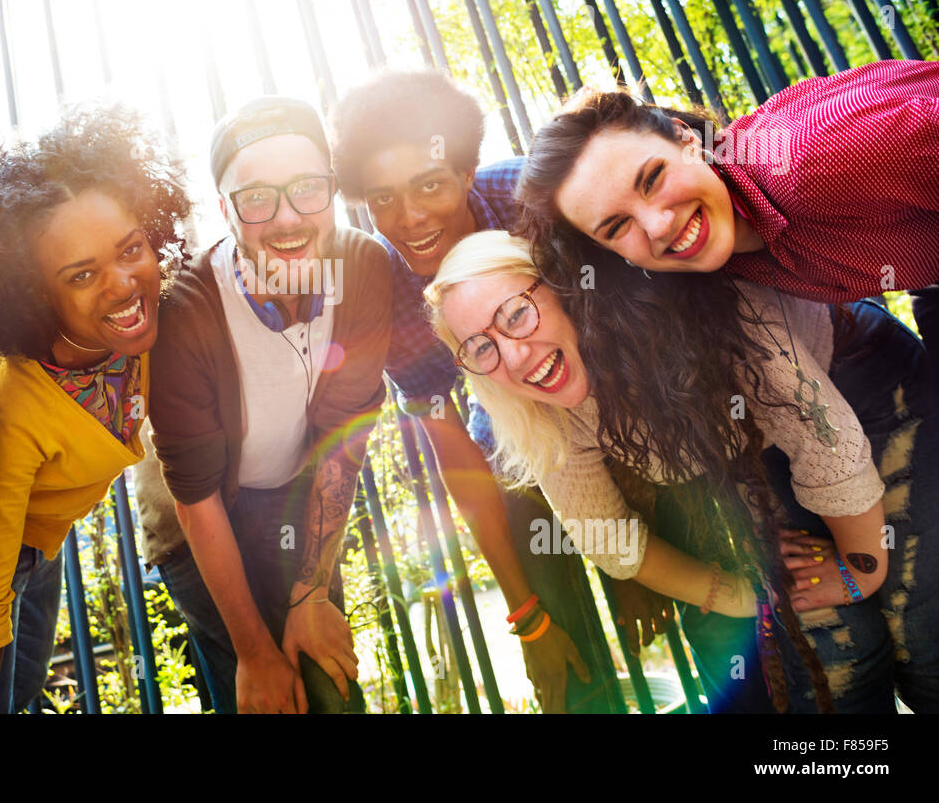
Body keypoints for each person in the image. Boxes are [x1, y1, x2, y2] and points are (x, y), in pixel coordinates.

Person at [425, 230, 911, 713]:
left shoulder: (662, 308)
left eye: (516, 314)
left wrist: (859, 573)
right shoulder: (540, 411)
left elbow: (822, 437)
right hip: (757, 451)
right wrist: (732, 593)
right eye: (481, 348)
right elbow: (604, 535)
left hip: (849, 382)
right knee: (825, 645)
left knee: (920, 633)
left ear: (560, 284)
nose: (514, 355)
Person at [327, 68, 628, 713]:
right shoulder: (393, 294)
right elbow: (456, 450)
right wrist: (527, 615)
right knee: (571, 676)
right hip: (522, 445)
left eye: (428, 184)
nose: (406, 219)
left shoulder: (532, 197)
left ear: (466, 172)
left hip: (630, 404)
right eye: (380, 199)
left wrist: (635, 546)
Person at [0, 104, 191, 713]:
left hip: (42, 546)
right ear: (33, 291)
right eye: (81, 275)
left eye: (131, 249)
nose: (123, 284)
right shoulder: (5, 402)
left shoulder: (160, 315)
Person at [136, 96, 391, 713]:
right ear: (224, 209)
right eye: (256, 198)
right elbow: (195, 500)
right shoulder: (186, 310)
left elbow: (345, 431)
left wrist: (311, 592)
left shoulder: (363, 266)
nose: (287, 219)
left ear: (331, 191)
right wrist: (254, 652)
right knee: (259, 690)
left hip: (292, 490)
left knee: (329, 688)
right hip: (195, 517)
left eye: (308, 188)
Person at [514, 64, 939, 359]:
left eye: (652, 179)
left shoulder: (811, 163)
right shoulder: (722, 255)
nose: (658, 225)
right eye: (617, 225)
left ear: (686, 140)